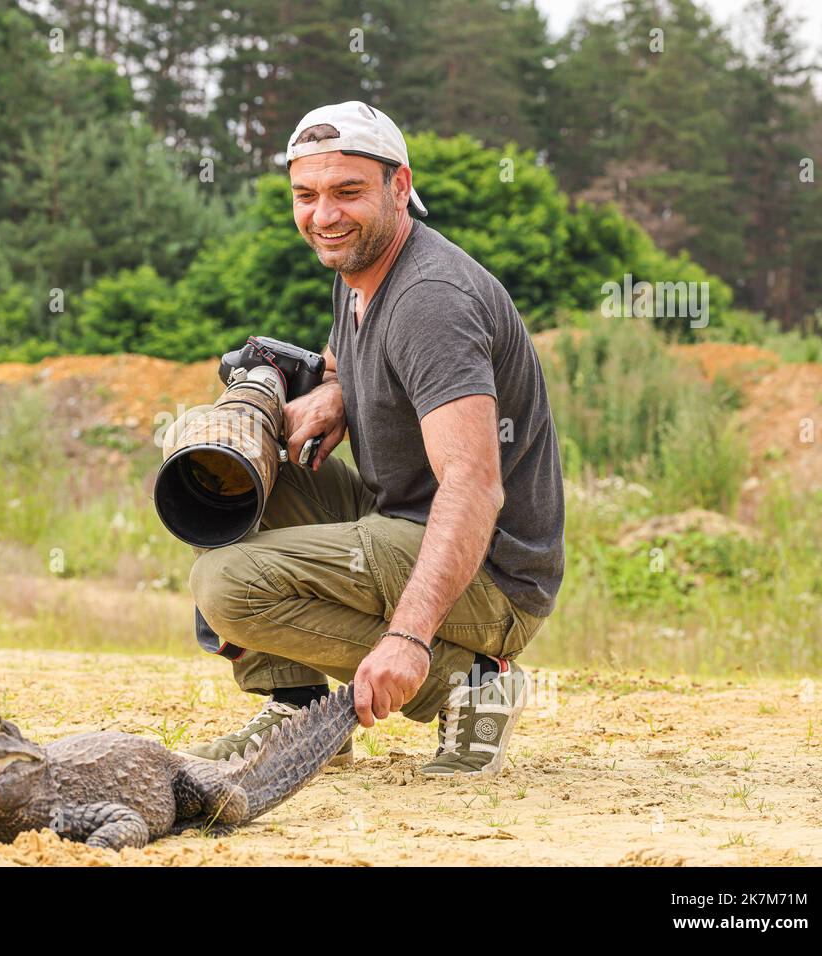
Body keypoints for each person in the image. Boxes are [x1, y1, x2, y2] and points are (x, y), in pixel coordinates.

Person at [183, 101, 565, 778]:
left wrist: (409, 638)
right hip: (401, 523)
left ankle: (468, 681)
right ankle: (295, 708)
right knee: (225, 475)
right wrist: (335, 393)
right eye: (307, 195)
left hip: (495, 577)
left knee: (226, 586)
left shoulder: (432, 299)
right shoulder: (359, 274)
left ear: (399, 185)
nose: (324, 215)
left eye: (347, 191)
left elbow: (474, 483)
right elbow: (353, 357)